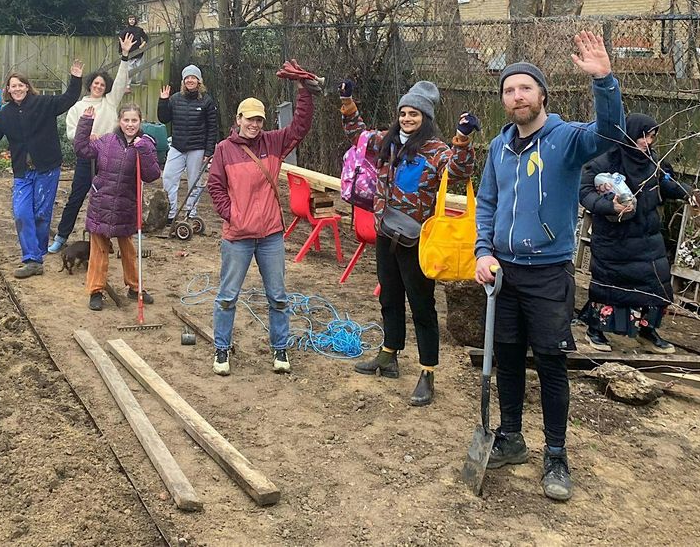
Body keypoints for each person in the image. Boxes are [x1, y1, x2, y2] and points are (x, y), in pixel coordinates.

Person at [473, 31, 623, 502]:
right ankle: (512, 437)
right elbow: (487, 202)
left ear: (541, 95)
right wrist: (482, 251)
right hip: (504, 274)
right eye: (508, 90)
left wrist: (604, 81)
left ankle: (556, 454)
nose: (517, 96)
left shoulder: (566, 139)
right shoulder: (498, 148)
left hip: (548, 274)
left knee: (552, 363)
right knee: (509, 357)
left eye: (525, 88)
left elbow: (609, 134)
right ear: (503, 99)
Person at [339, 79, 479, 406]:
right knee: (389, 295)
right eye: (403, 113)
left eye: (413, 113)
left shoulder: (437, 151)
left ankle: (427, 372)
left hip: (418, 239)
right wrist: (347, 100)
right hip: (387, 232)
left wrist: (463, 138)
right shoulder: (387, 142)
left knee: (421, 306)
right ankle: (389, 354)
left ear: (425, 117)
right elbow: (356, 134)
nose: (406, 118)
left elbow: (460, 171)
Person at [206, 75, 319, 376]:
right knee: (227, 296)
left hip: (270, 235)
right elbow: (215, 186)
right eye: (250, 119)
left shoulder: (273, 142)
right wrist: (231, 214)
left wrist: (304, 93)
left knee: (278, 297)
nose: (254, 125)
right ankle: (221, 349)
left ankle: (279, 348)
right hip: (238, 236)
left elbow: (300, 127)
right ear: (238, 119)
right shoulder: (223, 150)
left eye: (259, 120)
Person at [0, 61, 84, 277]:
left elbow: (68, 99)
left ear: (27, 86)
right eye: (12, 86)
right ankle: (33, 258)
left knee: (41, 214)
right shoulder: (6, 114)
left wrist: (75, 78)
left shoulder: (44, 103)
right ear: (8, 90)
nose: (16, 89)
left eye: (20, 85)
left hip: (47, 168)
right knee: (21, 212)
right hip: (23, 172)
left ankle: (36, 255)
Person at [578, 113, 688, 354]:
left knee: (655, 284)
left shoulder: (652, 161)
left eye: (652, 137)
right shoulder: (606, 159)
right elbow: (585, 192)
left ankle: (647, 330)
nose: (648, 142)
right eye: (644, 136)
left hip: (647, 236)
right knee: (611, 284)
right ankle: (595, 329)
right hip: (614, 237)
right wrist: (610, 206)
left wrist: (689, 194)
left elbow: (666, 183)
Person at [48, 34, 138, 255]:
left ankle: (106, 240)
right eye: (96, 83)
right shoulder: (79, 107)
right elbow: (71, 131)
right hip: (86, 158)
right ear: (90, 85)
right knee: (77, 197)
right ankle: (61, 236)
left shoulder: (110, 101)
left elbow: (120, 81)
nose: (99, 86)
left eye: (102, 84)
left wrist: (125, 56)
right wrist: (86, 138)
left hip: (109, 159)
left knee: (108, 201)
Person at [73, 103, 161, 310]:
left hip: (126, 204)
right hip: (102, 203)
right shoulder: (106, 141)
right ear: (119, 121)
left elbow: (152, 175)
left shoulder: (145, 144)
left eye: (134, 120)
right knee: (98, 250)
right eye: (126, 120)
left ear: (140, 121)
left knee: (128, 250)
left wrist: (144, 152)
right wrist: (86, 123)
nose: (130, 124)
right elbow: (81, 149)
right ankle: (95, 290)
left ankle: (134, 287)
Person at [159, 65, 218, 226]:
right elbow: (164, 119)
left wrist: (209, 150)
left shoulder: (206, 100)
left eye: (193, 77)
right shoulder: (175, 99)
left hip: (197, 148)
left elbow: (212, 127)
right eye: (187, 78)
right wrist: (163, 101)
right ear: (183, 81)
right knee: (169, 178)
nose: (190, 80)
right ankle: (171, 213)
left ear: (199, 81)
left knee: (194, 182)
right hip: (177, 146)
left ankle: (191, 213)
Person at [118, 15, 148, 81]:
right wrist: (121, 51)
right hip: (129, 53)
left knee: (139, 69)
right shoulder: (124, 31)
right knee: (129, 70)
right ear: (128, 21)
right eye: (130, 19)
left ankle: (139, 82)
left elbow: (146, 38)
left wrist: (142, 46)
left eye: (133, 19)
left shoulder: (139, 30)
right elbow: (120, 40)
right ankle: (128, 84)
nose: (132, 21)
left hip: (138, 53)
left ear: (135, 21)